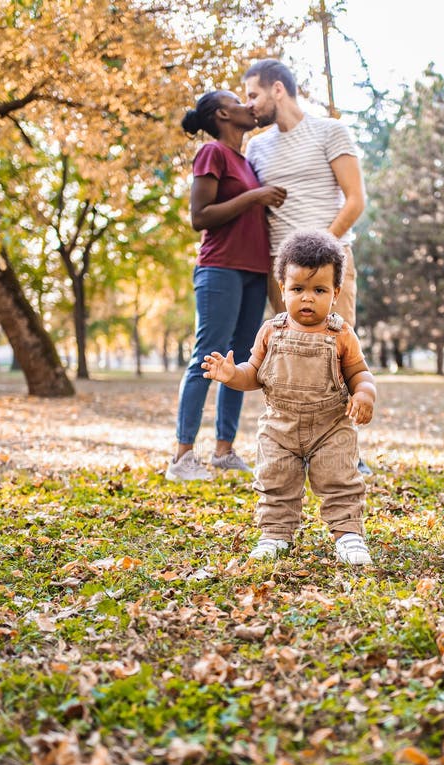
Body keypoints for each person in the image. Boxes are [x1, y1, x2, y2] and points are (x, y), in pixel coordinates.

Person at [202, 230, 376, 565]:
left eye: (319, 290)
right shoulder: (271, 331)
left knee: (339, 478)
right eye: (298, 289)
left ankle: (349, 535)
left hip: (331, 427)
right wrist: (231, 374)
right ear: (282, 289)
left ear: (336, 293)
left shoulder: (341, 334)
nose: (307, 298)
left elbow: (359, 373)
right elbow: (253, 372)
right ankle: (275, 535)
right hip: (279, 427)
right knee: (275, 481)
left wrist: (365, 394)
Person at [243, 58, 373, 474]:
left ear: (277, 89)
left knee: (337, 355)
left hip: (332, 265)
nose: (250, 105)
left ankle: (346, 452)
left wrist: (323, 253)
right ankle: (289, 447)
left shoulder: (330, 131)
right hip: (280, 274)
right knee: (288, 358)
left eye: (253, 95)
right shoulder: (256, 146)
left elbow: (355, 201)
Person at [165, 90, 287, 482]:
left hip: (253, 270)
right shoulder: (212, 152)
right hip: (220, 268)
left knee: (237, 362)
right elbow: (199, 217)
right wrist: (256, 196)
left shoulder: (246, 159)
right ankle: (182, 456)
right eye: (240, 101)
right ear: (222, 113)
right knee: (208, 355)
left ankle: (223, 451)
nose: (248, 107)